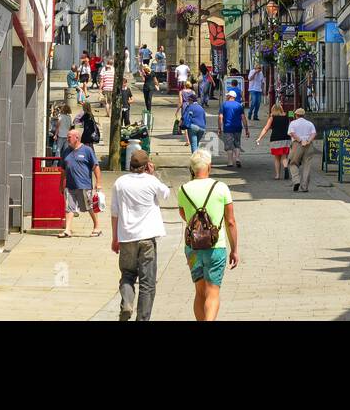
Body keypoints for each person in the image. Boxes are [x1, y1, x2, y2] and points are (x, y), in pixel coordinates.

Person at [177, 149, 239, 321]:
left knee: (199, 292)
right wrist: (234, 249)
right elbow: (230, 221)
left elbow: (184, 215)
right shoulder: (221, 188)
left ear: (192, 168)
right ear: (209, 167)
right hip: (215, 247)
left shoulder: (183, 189)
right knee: (212, 293)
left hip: (192, 248)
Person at [111, 148, 169, 321]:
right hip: (147, 237)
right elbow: (166, 194)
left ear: (130, 164)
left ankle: (127, 302)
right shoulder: (151, 182)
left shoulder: (120, 183)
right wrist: (154, 174)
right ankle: (142, 319)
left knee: (127, 275)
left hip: (127, 237)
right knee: (147, 283)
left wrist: (115, 238)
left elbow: (115, 213)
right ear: (146, 166)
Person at [59, 129, 102, 238]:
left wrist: (98, 182)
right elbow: (63, 170)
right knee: (69, 208)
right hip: (70, 186)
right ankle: (67, 230)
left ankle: (97, 227)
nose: (67, 139)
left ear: (77, 138)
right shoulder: (66, 151)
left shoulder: (87, 150)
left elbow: (96, 167)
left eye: (69, 137)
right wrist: (61, 184)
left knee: (89, 207)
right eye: (67, 137)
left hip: (84, 185)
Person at [254, 103, 291, 180]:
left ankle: (277, 175)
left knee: (277, 158)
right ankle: (286, 167)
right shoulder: (287, 116)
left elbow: (266, 128)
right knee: (284, 156)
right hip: (286, 138)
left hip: (275, 139)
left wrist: (259, 138)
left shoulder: (272, 118)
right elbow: (292, 122)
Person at [287, 107, 318, 192]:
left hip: (297, 144)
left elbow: (292, 133)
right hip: (308, 145)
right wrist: (308, 141)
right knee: (307, 165)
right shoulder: (309, 123)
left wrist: (300, 140)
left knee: (293, 163)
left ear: (296, 115)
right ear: (303, 115)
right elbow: (314, 133)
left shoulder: (293, 123)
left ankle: (296, 180)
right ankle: (304, 187)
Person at [218, 89, 246, 168]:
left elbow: (220, 117)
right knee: (237, 144)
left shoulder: (224, 105)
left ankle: (230, 162)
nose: (226, 96)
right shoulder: (239, 105)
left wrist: (219, 128)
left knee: (229, 145)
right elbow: (243, 118)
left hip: (228, 127)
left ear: (230, 96)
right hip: (238, 127)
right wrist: (246, 129)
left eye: (227, 95)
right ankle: (237, 159)